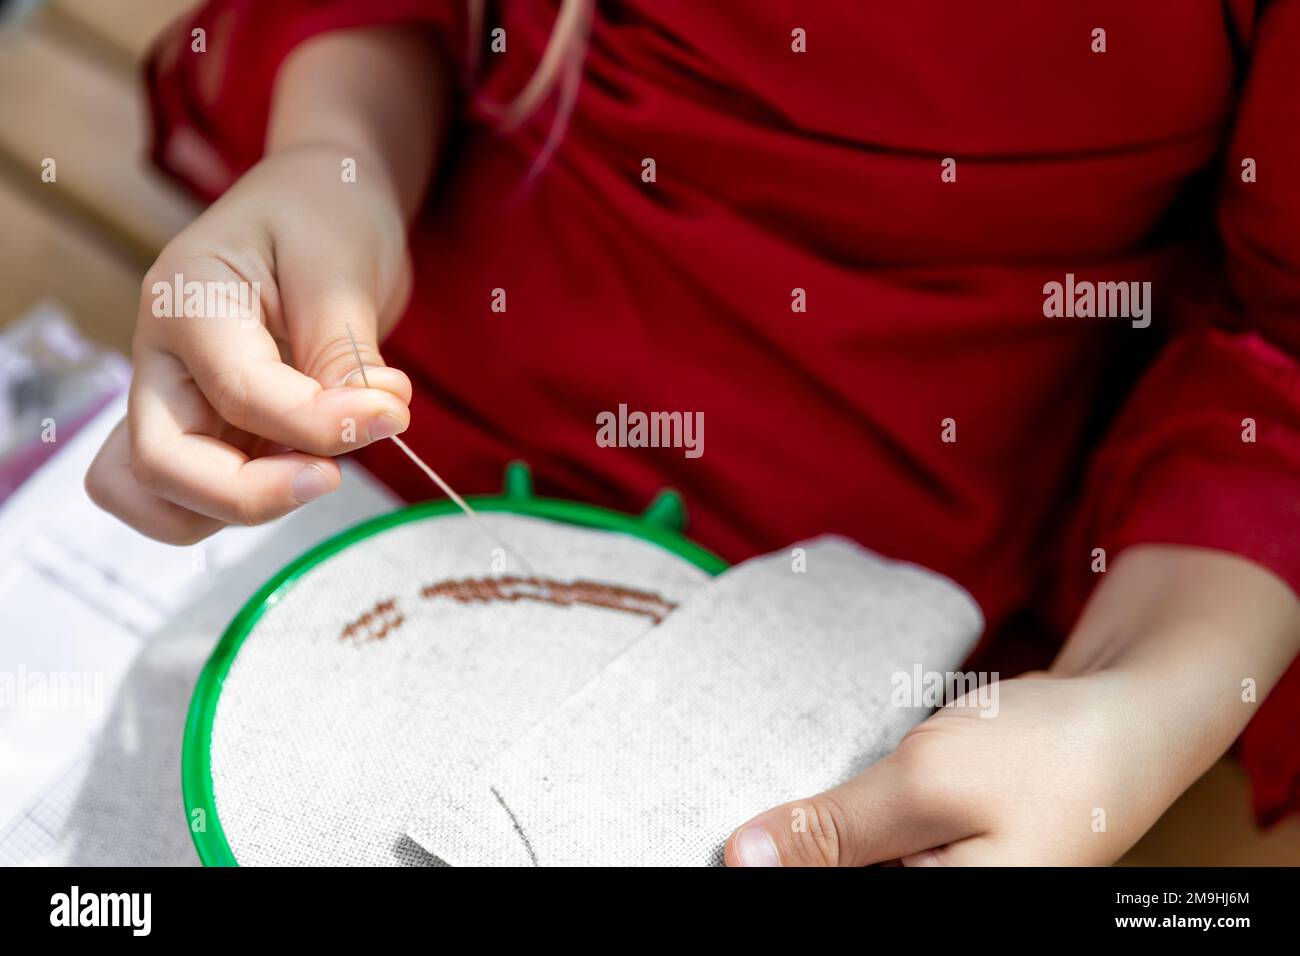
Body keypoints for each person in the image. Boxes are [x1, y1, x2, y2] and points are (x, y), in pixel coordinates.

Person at [85, 0, 1300, 865]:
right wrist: (330, 163)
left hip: (880, 641)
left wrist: (1140, 706)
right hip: (388, 430)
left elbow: (1277, 363)